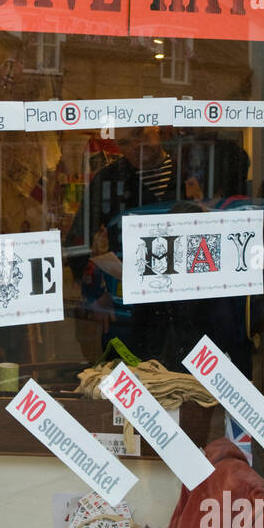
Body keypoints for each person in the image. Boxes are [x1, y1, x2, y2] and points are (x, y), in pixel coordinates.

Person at [63, 126, 178, 360]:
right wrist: (94, 296)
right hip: (126, 311)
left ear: (156, 128)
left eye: (139, 135)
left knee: (178, 388)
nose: (135, 147)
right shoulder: (109, 180)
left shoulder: (189, 173)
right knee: (124, 384)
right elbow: (76, 242)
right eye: (124, 143)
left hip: (183, 308)